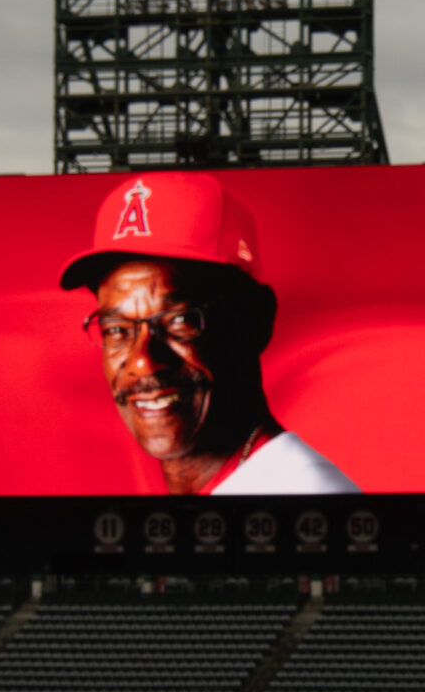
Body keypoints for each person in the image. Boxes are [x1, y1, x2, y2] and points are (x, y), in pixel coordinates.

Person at [59, 171, 358, 495]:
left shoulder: (305, 497)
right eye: (117, 329)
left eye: (180, 320)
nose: (143, 362)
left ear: (256, 320)